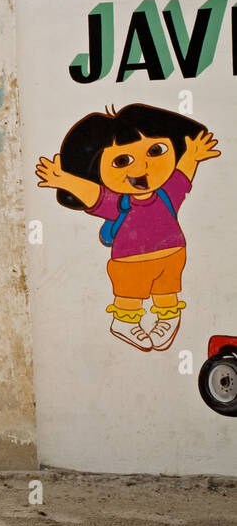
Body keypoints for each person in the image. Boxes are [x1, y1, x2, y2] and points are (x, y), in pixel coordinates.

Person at [35, 104, 220, 352]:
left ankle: (167, 318)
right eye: (122, 160)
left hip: (173, 255)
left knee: (168, 292)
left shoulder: (168, 193)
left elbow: (182, 175)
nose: (141, 168)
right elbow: (93, 194)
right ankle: (123, 322)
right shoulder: (121, 202)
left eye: (156, 151)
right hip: (130, 261)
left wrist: (191, 155)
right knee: (129, 297)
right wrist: (65, 180)